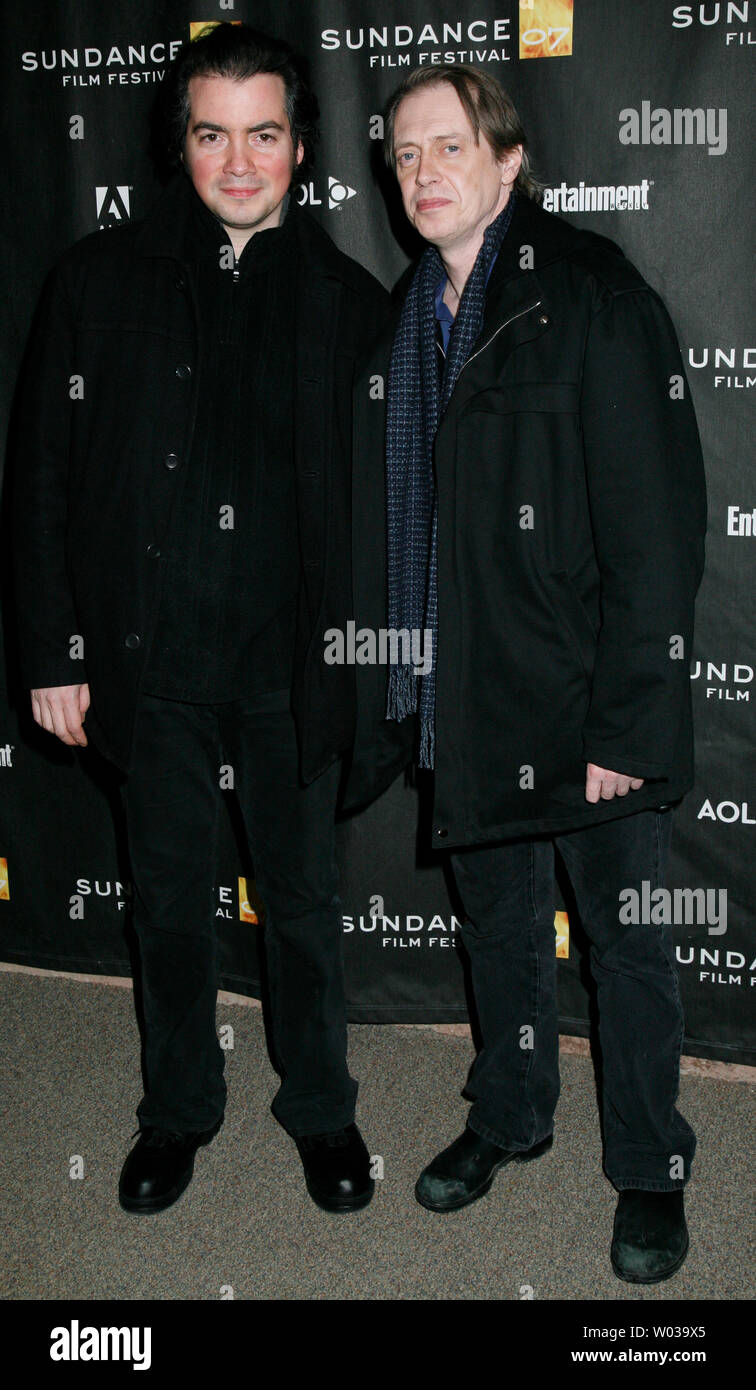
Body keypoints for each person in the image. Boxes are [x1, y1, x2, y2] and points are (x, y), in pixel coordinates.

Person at [13, 23, 389, 1216]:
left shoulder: (350, 303)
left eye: (264, 133)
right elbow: (42, 480)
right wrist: (55, 649)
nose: (239, 161)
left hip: (289, 673)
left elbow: (388, 521)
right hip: (151, 667)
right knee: (169, 911)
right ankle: (176, 1110)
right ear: (178, 144)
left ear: (300, 146)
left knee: (307, 913)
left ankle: (322, 1108)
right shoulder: (95, 281)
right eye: (213, 133)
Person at [346, 64, 706, 1283]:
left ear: (508, 162)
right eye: (403, 154)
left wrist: (630, 723)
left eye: (449, 147)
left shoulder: (593, 297)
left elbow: (657, 535)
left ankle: (651, 1164)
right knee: (498, 928)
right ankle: (510, 1112)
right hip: (469, 694)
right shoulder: (408, 311)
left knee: (627, 949)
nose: (423, 172)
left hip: (580, 698)